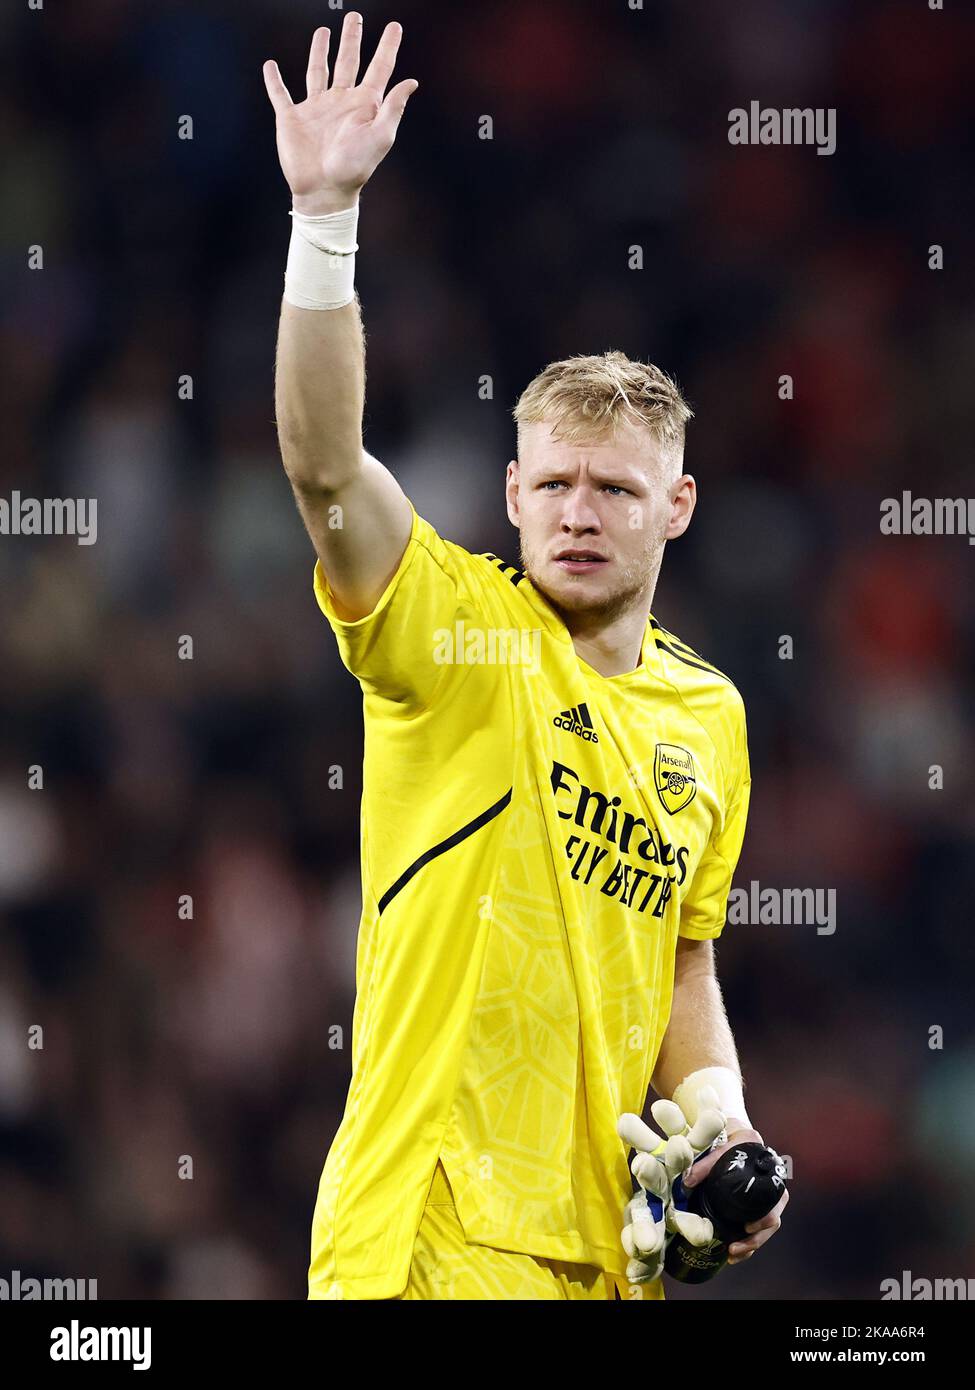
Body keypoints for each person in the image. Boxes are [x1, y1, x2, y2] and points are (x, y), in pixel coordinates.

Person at [263, 12, 787, 1301]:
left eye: (615, 488)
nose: (577, 511)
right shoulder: (460, 631)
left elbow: (683, 962)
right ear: (509, 492)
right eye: (552, 482)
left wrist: (719, 1119)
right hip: (424, 1241)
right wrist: (326, 221)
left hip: (609, 1259)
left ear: (677, 508)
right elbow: (326, 467)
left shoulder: (708, 718)